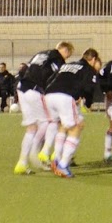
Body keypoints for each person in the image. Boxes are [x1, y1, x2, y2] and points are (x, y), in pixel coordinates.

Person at [14, 41, 72, 174]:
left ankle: (22, 163)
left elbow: (24, 70)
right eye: (67, 55)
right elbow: (54, 80)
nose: (66, 58)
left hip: (22, 88)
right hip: (35, 90)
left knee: (32, 127)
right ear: (65, 50)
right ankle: (39, 154)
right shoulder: (58, 60)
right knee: (51, 121)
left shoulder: (40, 54)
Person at [43, 47, 102, 178]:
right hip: (64, 97)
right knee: (77, 126)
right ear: (93, 59)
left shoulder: (68, 65)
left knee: (62, 126)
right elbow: (89, 88)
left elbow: (51, 78)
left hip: (49, 95)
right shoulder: (88, 69)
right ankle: (63, 164)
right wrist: (88, 104)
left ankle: (56, 158)